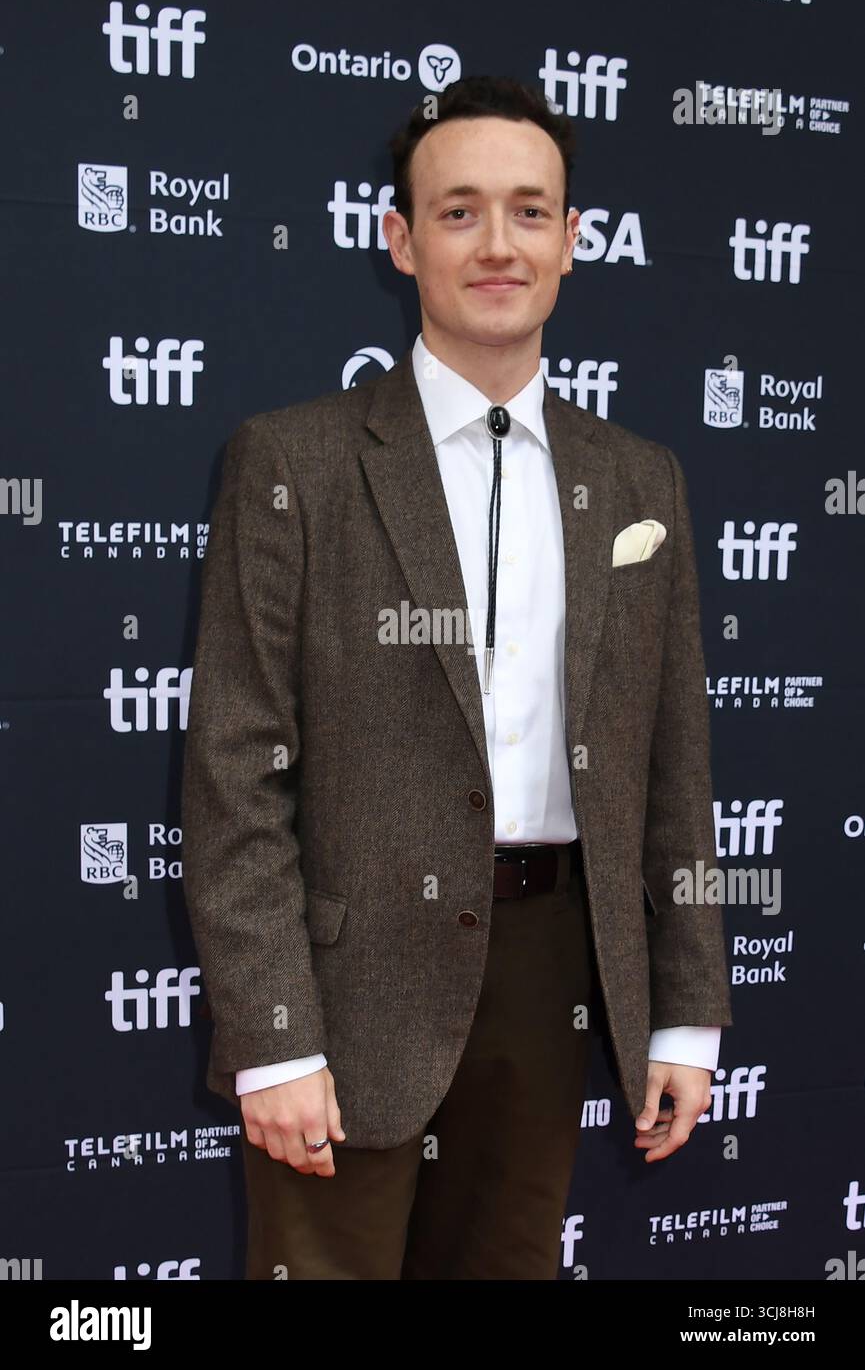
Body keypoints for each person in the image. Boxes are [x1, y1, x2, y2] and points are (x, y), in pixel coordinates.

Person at [181, 74, 733, 1280]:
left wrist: (686, 1010)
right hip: (346, 981)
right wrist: (273, 1037)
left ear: (573, 243)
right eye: (459, 210)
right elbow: (235, 772)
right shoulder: (294, 462)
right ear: (400, 238)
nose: (498, 244)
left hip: (552, 975)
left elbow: (673, 763)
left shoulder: (642, 483)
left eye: (530, 212)